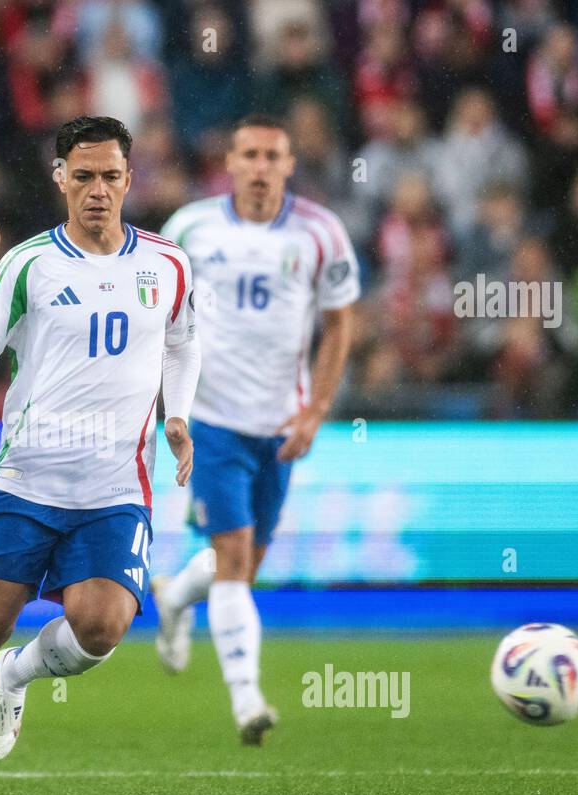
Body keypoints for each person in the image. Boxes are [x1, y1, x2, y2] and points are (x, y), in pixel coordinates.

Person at [0, 115, 200, 795]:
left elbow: (184, 342)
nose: (98, 190)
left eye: (112, 176)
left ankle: (18, 678)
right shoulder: (28, 262)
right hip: (28, 479)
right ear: (60, 177)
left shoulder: (169, 263)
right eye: (84, 175)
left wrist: (177, 414)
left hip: (114, 487)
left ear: (130, 179)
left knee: (101, 628)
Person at [151, 114, 359, 745]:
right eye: (250, 154)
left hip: (281, 426)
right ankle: (248, 702)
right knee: (237, 564)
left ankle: (173, 597)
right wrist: (168, 406)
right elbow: (155, 314)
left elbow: (340, 323)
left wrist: (316, 408)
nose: (262, 166)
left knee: (239, 561)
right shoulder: (189, 228)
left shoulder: (321, 233)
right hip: (212, 420)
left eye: (274, 155)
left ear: (290, 164)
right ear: (231, 163)